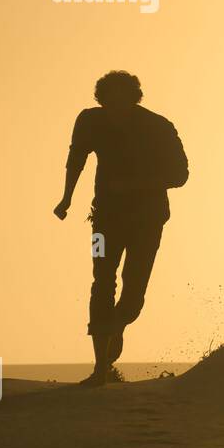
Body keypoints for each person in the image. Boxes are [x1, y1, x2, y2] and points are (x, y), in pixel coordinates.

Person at [54, 71, 188, 386]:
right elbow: (76, 157)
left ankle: (117, 326)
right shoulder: (90, 121)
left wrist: (134, 185)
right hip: (105, 219)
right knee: (101, 280)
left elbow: (180, 175)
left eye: (121, 97)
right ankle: (100, 369)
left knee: (133, 292)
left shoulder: (158, 126)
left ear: (133, 97)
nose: (114, 105)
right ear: (100, 98)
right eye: (108, 98)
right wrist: (66, 198)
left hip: (147, 220)